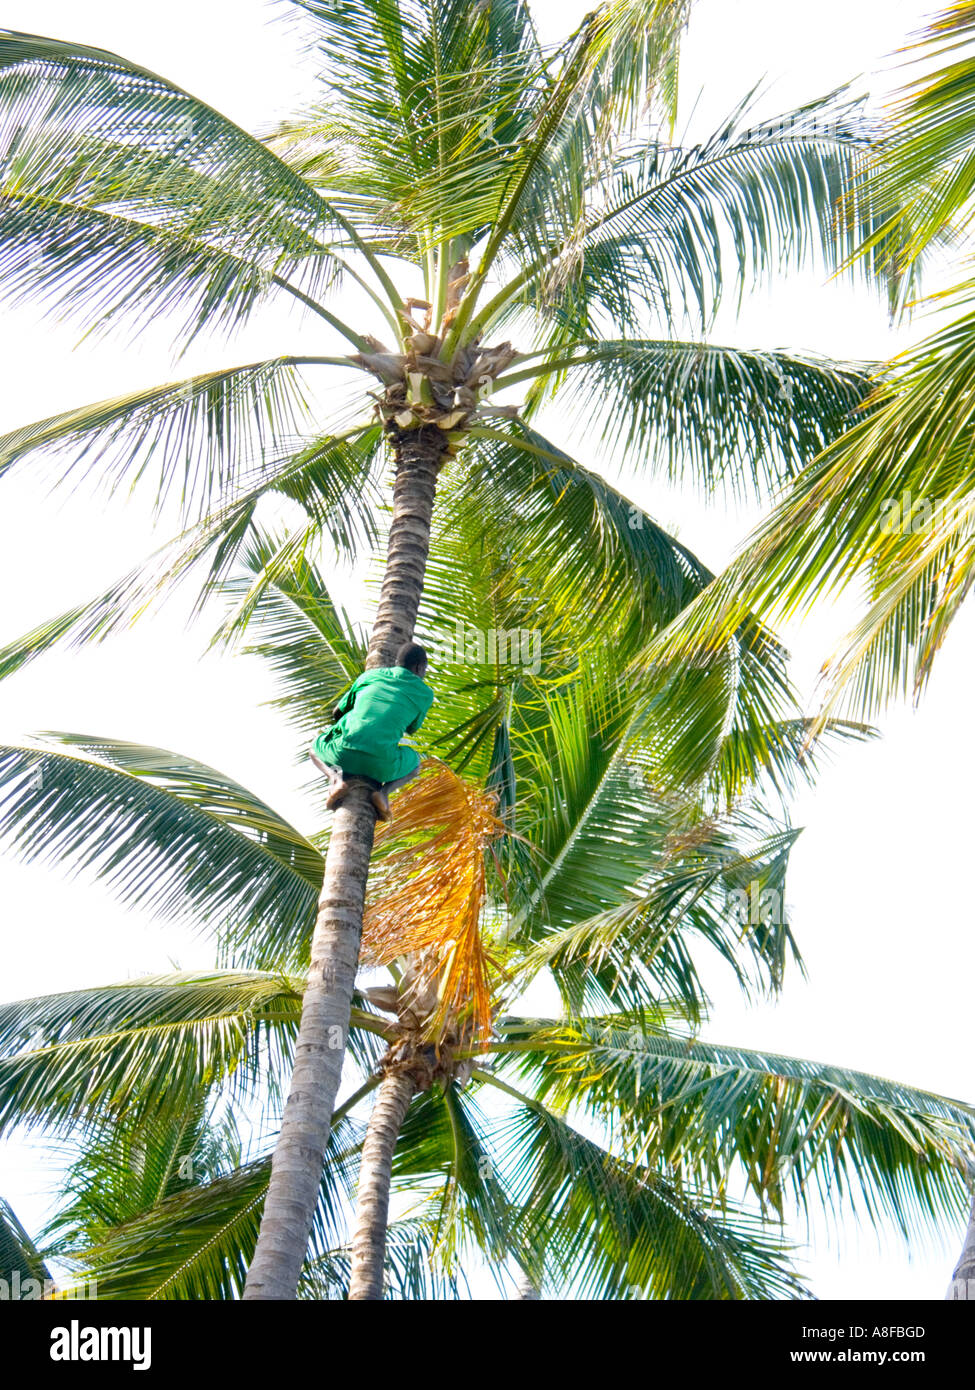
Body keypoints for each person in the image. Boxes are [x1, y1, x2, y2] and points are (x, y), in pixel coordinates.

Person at [310, 642, 433, 821]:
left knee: (314, 747)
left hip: (343, 754)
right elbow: (412, 728)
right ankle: (383, 794)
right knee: (415, 764)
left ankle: (335, 780)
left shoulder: (370, 676)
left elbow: (337, 711)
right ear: (418, 667)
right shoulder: (425, 694)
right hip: (382, 764)